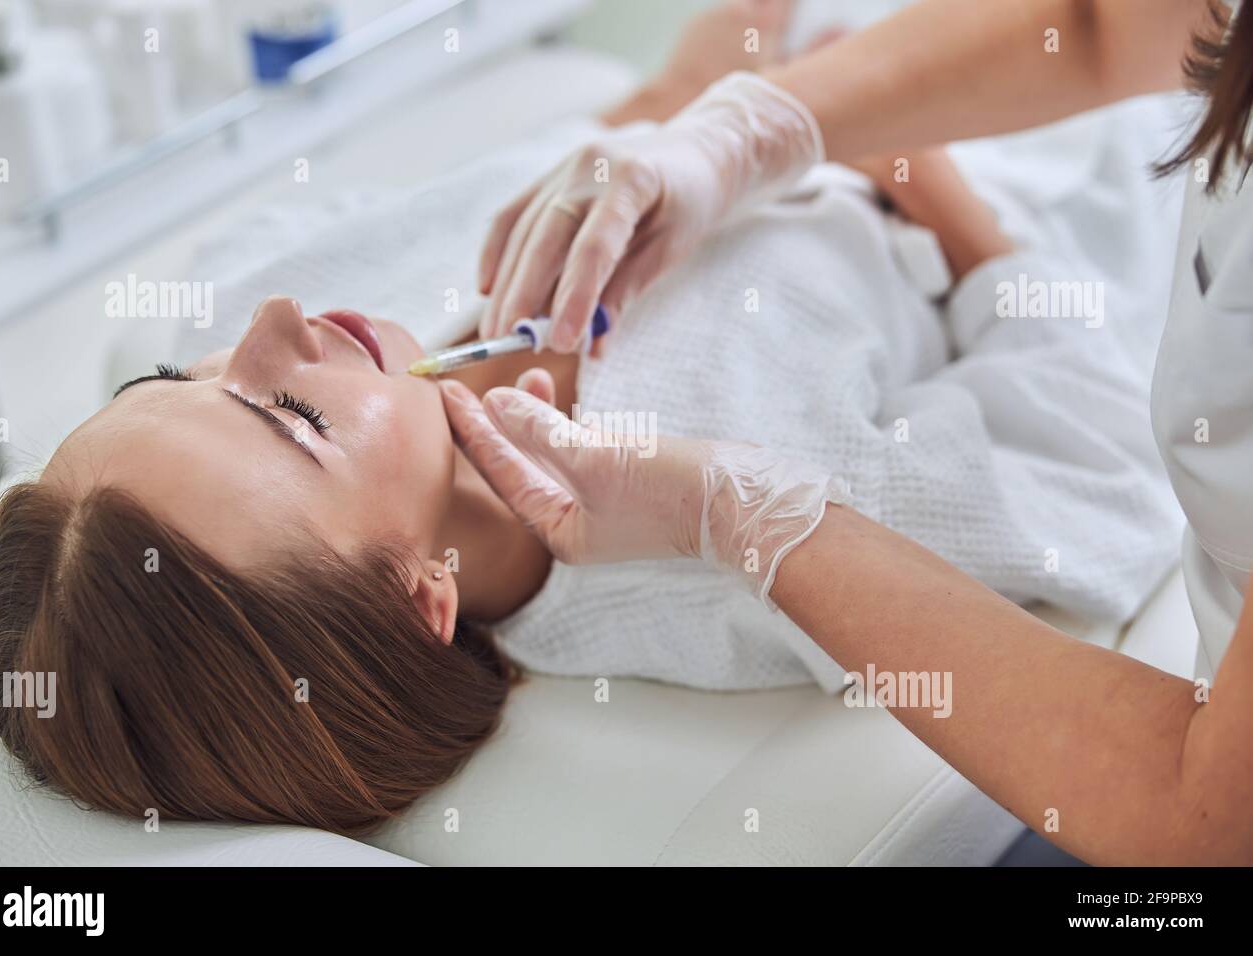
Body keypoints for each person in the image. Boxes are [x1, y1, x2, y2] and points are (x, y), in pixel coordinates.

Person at [0, 2, 1178, 836]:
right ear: (416, 593)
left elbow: (283, 247)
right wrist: (928, 182)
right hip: (1072, 136)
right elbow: (1098, 477)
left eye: (177, 380)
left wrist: (701, 102)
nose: (275, 325)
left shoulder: (288, 309)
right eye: (290, 417)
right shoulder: (732, 563)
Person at [456, 0, 1253, 864]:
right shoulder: (645, 571)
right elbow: (1108, 26)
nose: (333, 331)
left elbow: (1209, 821)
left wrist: (745, 514)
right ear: (426, 595)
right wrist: (747, 126)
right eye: (303, 411)